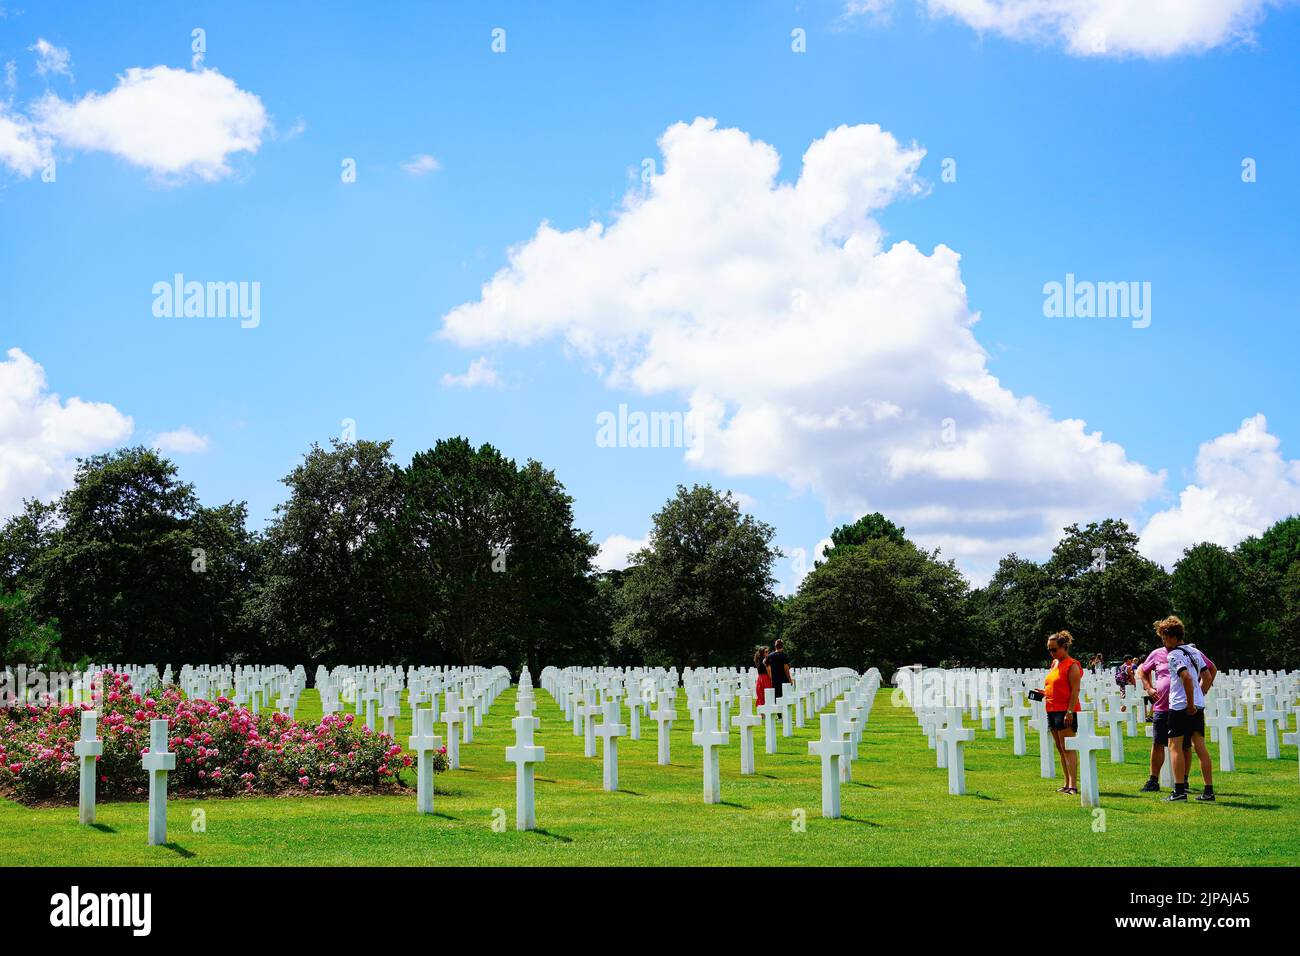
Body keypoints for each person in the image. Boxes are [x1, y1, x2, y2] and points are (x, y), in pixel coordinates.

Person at [1136, 619, 1216, 797]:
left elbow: (1186, 677)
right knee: (1200, 746)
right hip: (1195, 706)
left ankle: (1179, 789)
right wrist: (1198, 697)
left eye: (1164, 637)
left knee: (1175, 746)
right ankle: (1208, 790)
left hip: (1180, 705)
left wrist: (1188, 703)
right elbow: (1208, 676)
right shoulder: (1193, 651)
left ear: (1172, 636)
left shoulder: (1173, 655)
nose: (1163, 641)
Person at [1034, 631, 1081, 794]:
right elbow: (1054, 686)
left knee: (1068, 747)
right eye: (1049, 650)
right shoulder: (1054, 664)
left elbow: (1075, 690)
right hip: (1051, 709)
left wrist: (1069, 711)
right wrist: (1042, 692)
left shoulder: (1072, 665)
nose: (1051, 653)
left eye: (1054, 649)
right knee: (1060, 748)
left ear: (1064, 647)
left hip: (1065, 710)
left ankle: (1073, 785)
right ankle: (1066, 782)